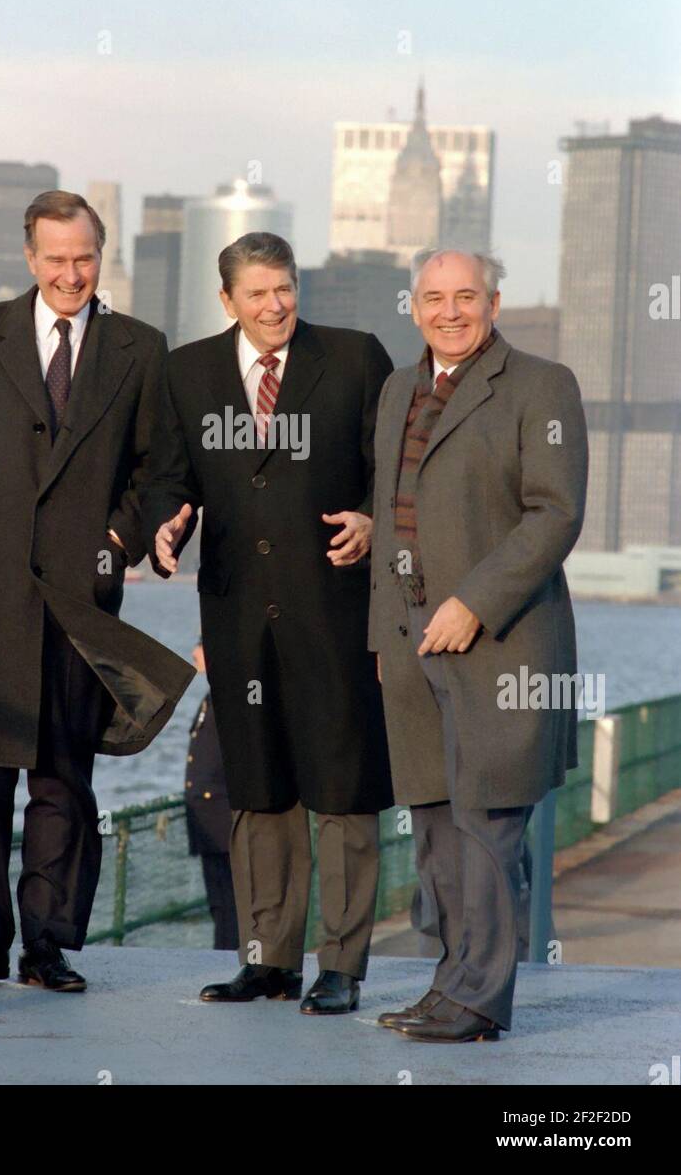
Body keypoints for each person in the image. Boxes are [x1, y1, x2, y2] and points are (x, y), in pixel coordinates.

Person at [0, 190, 194, 993]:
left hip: (81, 602)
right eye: (56, 259)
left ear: (103, 255)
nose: (71, 274)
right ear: (30, 258)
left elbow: (160, 469)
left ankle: (50, 946)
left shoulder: (141, 346)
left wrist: (120, 539)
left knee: (65, 779)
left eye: (85, 258)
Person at [143, 231, 394, 1015]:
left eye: (284, 287)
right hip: (236, 615)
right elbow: (167, 476)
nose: (275, 305)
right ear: (227, 301)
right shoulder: (187, 372)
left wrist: (372, 520)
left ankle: (343, 966)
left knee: (343, 792)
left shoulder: (356, 359)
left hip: (337, 614)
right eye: (256, 293)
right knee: (258, 791)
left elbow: (396, 470)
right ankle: (268, 960)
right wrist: (163, 526)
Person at [369, 248, 588, 1042]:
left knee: (487, 827)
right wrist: (384, 633)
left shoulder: (541, 385)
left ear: (494, 301)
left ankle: (481, 1000)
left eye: (467, 296)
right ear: (414, 306)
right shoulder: (400, 387)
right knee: (433, 827)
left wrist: (473, 601)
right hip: (408, 644)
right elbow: (400, 507)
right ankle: (450, 981)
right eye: (434, 298)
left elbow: (553, 515)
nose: (450, 311)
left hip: (501, 646)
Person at [184, 639, 238, 951]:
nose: (194, 652)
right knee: (218, 903)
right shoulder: (212, 697)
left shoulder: (227, 697)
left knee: (229, 902)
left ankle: (230, 959)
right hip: (206, 817)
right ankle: (224, 955)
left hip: (220, 816)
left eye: (202, 645)